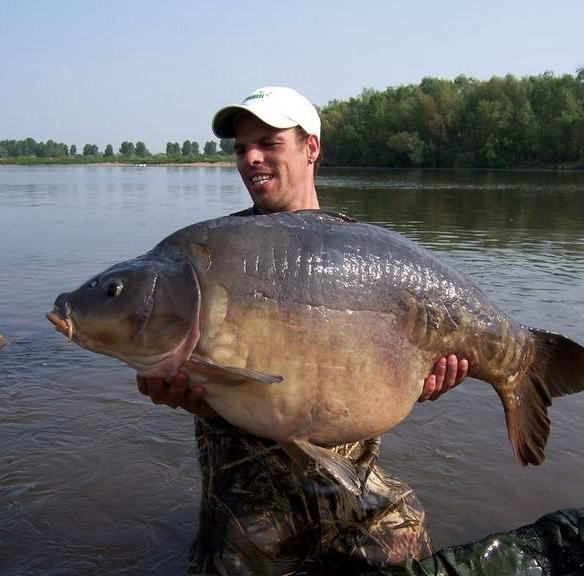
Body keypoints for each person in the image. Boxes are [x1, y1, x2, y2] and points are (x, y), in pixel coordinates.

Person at [138, 87, 469, 574]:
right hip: (250, 518)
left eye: (268, 143)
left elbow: (390, 378)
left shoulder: (364, 256)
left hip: (355, 493)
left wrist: (426, 378)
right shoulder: (206, 256)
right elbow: (170, 367)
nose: (251, 158)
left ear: (310, 148)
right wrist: (173, 386)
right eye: (240, 148)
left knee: (411, 535)